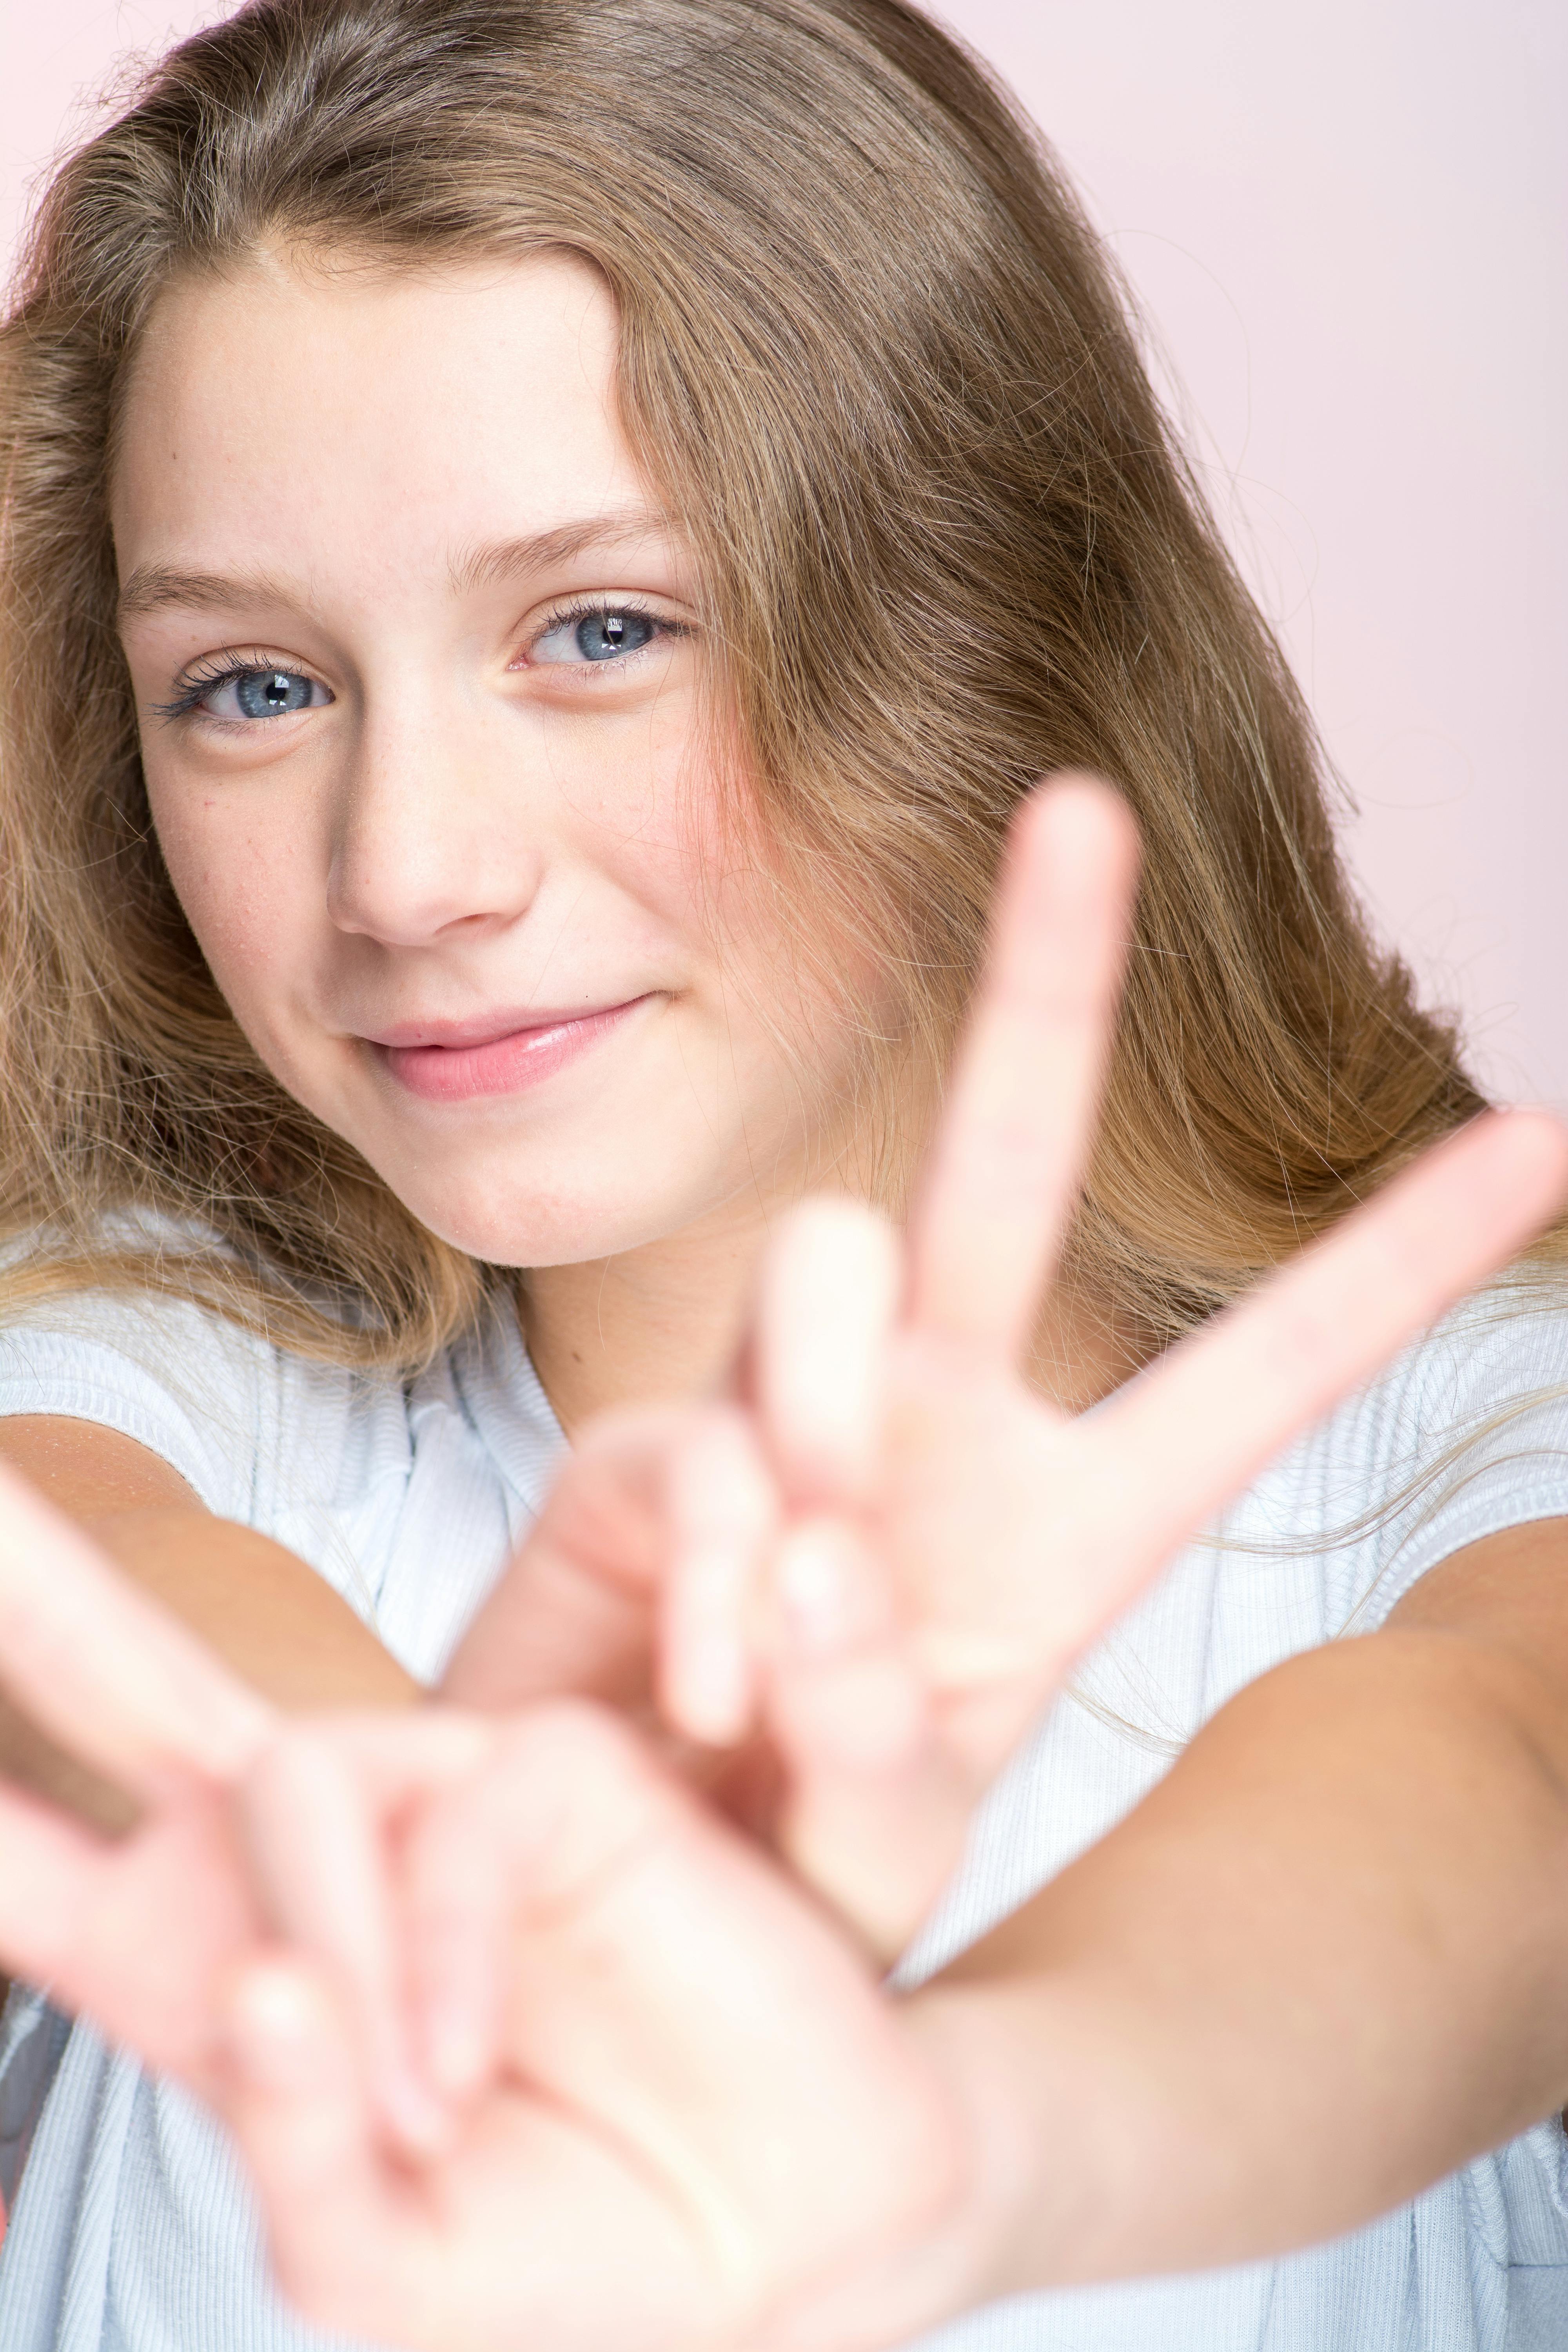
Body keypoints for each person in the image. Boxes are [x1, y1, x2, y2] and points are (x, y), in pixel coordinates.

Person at [0, 2, 1566, 2347]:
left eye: (602, 630)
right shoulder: (151, 1351)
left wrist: (951, 2149)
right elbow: (85, 1598)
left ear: (980, 626)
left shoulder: (1464, 1449)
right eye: (252, 686)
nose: (406, 871)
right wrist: (452, 1888)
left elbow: (1501, 1790)